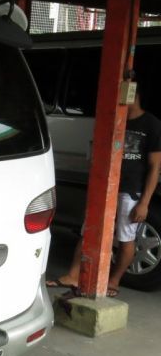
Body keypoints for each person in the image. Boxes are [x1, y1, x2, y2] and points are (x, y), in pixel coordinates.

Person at [48, 82, 161, 297]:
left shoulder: (152, 125)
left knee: (126, 239)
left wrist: (145, 202)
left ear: (133, 97)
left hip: (131, 192)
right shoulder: (115, 120)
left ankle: (114, 281)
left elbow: (155, 167)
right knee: (87, 231)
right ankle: (73, 274)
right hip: (106, 187)